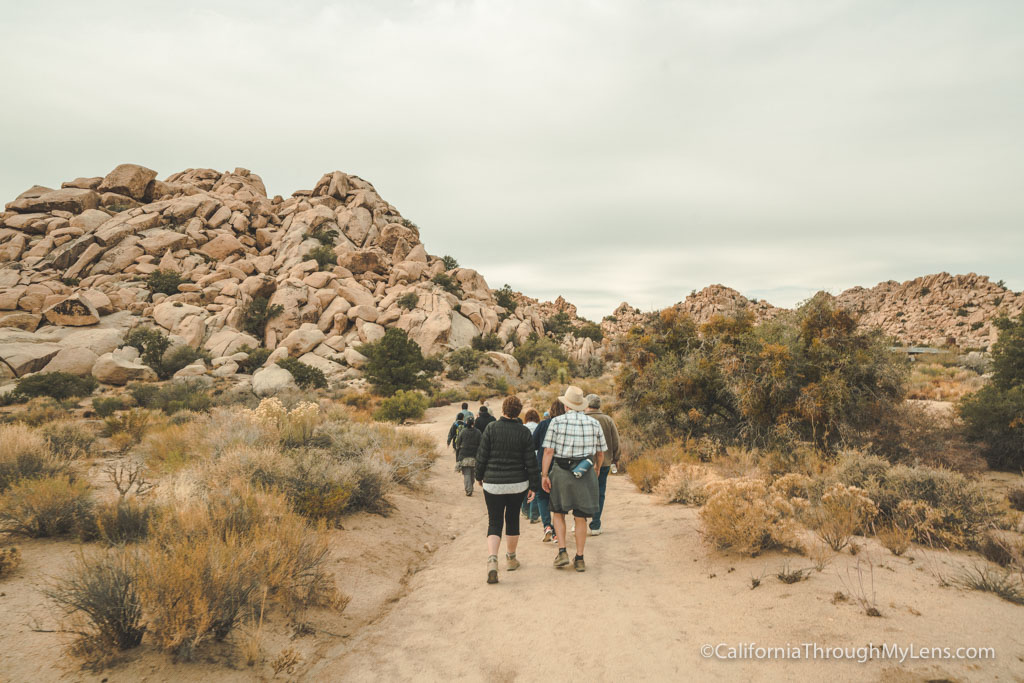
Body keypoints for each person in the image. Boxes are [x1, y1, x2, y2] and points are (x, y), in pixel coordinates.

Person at [475, 396, 541, 584]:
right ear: (518, 411)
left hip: (493, 484)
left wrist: (479, 477)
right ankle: (511, 558)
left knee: (494, 521)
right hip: (517, 484)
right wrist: (533, 485)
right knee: (512, 519)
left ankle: (492, 560)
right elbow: (531, 462)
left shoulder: (491, 428)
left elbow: (482, 456)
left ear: (503, 409)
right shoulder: (523, 432)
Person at [541, 386, 607, 572]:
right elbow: (600, 453)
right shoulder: (594, 424)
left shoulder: (556, 422)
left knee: (558, 512)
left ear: (566, 406)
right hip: (584, 472)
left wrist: (544, 475)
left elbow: (548, 451)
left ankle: (562, 551)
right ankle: (579, 558)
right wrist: (597, 469)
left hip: (560, 471)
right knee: (580, 518)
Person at [584, 394, 620, 536]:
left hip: (584, 463)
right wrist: (616, 458)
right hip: (603, 462)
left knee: (583, 493)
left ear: (587, 404)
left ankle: (580, 521)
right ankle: (595, 524)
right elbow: (615, 440)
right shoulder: (607, 420)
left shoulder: (583, 418)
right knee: (599, 492)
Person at [532, 399, 566, 543]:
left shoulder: (543, 424)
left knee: (541, 497)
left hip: (543, 466)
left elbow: (533, 444)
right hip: (560, 466)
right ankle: (558, 533)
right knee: (558, 500)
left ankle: (547, 526)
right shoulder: (565, 425)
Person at [520, 409, 542, 524]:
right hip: (537, 459)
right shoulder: (540, 427)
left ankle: (525, 510)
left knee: (525, 486)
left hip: (524, 460)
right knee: (535, 486)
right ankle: (534, 514)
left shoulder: (523, 428)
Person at [455, 415, 481, 496]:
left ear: (466, 423)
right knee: (472, 474)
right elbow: (481, 444)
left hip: (464, 456)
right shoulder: (478, 432)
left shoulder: (463, 431)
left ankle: (468, 490)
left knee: (466, 474)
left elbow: (458, 443)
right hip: (475, 456)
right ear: (473, 423)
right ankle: (471, 487)